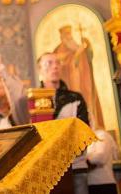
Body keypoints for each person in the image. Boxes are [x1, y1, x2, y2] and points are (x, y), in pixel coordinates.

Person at [37, 52, 90, 194]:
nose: (55, 66)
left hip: (75, 166)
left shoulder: (75, 98)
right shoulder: (34, 101)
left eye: (57, 63)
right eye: (49, 63)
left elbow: (83, 131)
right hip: (46, 169)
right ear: (40, 70)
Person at [87, 126, 119, 194]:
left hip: (102, 184)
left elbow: (100, 158)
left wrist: (83, 161)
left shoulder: (101, 135)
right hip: (86, 185)